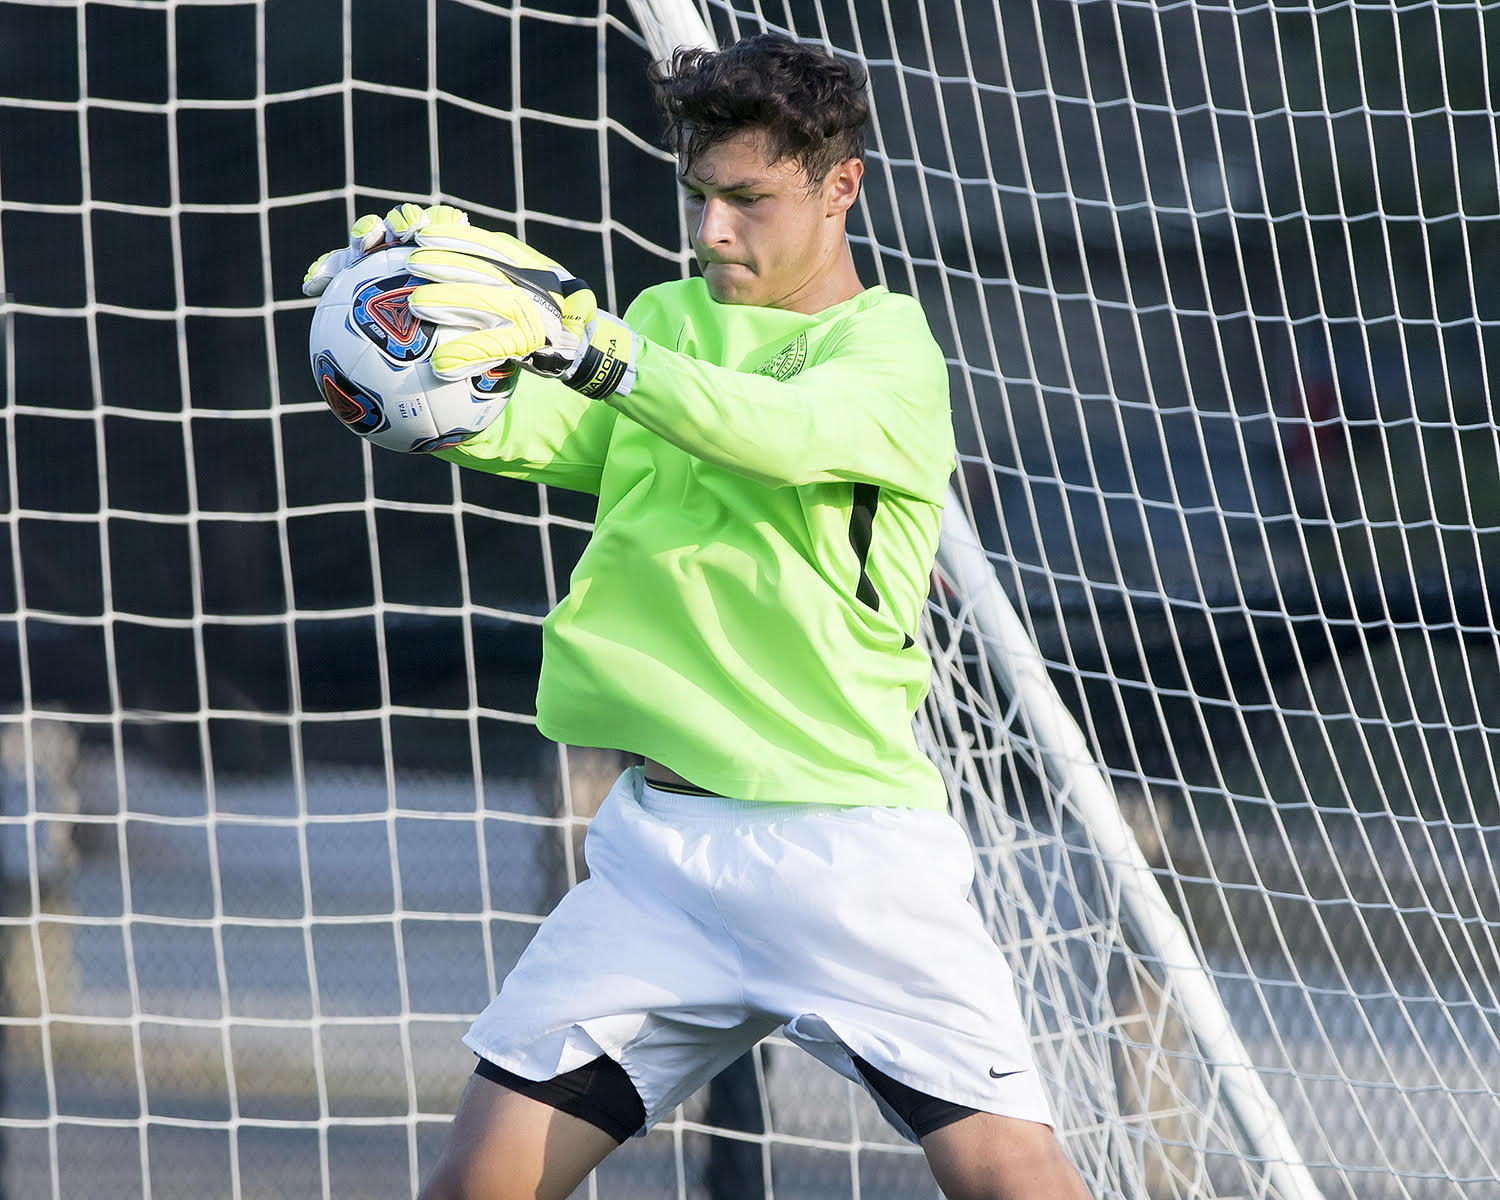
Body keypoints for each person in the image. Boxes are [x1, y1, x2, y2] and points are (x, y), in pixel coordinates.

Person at [307, 32, 1092, 1200]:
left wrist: (591, 343)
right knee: (477, 1185)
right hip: (658, 861)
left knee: (1008, 1177)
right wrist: (404, 361)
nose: (713, 230)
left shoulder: (888, 353)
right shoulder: (668, 319)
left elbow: (760, 431)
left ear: (841, 187)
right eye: (699, 197)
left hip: (842, 855)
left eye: (747, 200)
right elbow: (581, 438)